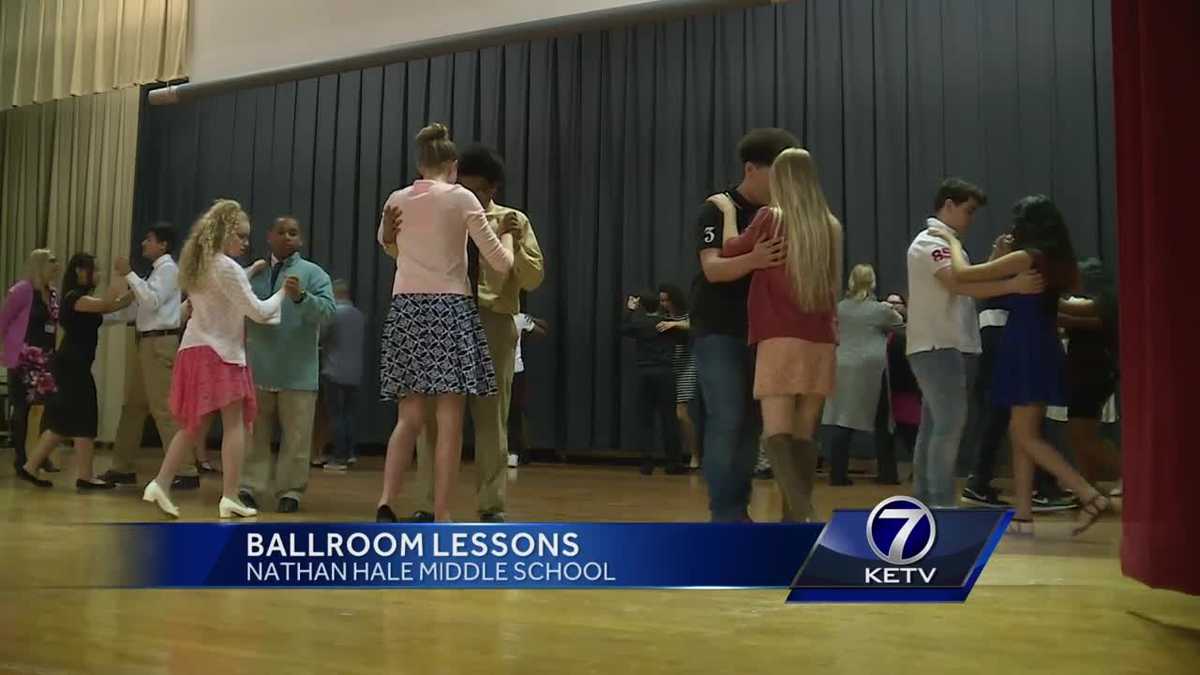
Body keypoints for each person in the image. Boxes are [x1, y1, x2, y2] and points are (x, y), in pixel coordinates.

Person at [928, 195, 1112, 534]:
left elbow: (964, 274)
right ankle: (1023, 516)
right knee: (1021, 432)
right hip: (1041, 342)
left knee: (1026, 435)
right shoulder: (1054, 259)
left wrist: (953, 241)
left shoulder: (1027, 257)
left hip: (1024, 345)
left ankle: (1088, 494)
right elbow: (995, 289)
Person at [374, 123, 514, 523]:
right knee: (449, 418)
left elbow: (387, 241)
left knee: (410, 416)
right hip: (449, 308)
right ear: (452, 166)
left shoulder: (396, 198)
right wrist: (504, 239)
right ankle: (441, 511)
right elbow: (500, 265)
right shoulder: (462, 198)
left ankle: (386, 498)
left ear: (420, 164)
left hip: (405, 308)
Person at [403, 143, 544, 522]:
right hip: (443, 317)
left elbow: (533, 279)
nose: (466, 194)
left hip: (493, 320)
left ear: (492, 188)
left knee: (491, 417)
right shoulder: (441, 214)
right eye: (460, 185)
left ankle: (491, 504)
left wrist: (515, 245)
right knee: (432, 417)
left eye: (475, 189)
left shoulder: (513, 220)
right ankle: (427, 504)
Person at [905, 178, 1043, 508]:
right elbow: (958, 284)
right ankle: (939, 503)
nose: (970, 218)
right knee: (949, 426)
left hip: (942, 344)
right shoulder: (932, 242)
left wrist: (994, 260)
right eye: (967, 210)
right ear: (948, 205)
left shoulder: (946, 243)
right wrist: (1014, 285)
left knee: (934, 425)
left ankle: (925, 498)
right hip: (941, 345)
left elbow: (965, 278)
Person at [719, 147, 841, 522]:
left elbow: (729, 249)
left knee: (776, 436)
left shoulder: (769, 218)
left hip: (779, 336)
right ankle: (794, 523)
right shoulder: (830, 225)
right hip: (821, 339)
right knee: (804, 436)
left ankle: (803, 515)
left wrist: (727, 212)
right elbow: (834, 288)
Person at [141, 199, 284, 518]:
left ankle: (162, 482)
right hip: (220, 353)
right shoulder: (227, 267)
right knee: (236, 423)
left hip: (194, 349)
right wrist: (284, 293)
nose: (246, 243)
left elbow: (225, 290)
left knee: (192, 424)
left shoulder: (201, 263)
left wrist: (251, 271)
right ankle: (230, 495)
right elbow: (259, 312)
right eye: (243, 236)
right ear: (226, 233)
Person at [691, 127, 795, 522]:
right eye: (776, 172)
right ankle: (726, 512)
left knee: (753, 425)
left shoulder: (781, 213)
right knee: (728, 416)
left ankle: (739, 510)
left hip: (765, 333)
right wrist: (755, 259)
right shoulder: (717, 208)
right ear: (752, 169)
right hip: (719, 329)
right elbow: (713, 268)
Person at [238, 216, 335, 514]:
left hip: (299, 371)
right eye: (281, 231)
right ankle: (249, 487)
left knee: (296, 438)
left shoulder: (313, 274)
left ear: (301, 240)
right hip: (258, 367)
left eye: (293, 233)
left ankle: (291, 491)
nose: (287, 237)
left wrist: (301, 298)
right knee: (254, 434)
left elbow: (328, 313)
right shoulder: (253, 272)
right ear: (269, 236)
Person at [99, 224, 200, 489]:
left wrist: (129, 274)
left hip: (158, 344)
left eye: (149, 239)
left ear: (163, 245)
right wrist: (100, 316)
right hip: (147, 344)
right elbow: (141, 310)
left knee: (164, 409)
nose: (144, 243)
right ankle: (122, 467)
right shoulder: (158, 272)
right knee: (133, 407)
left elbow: (152, 301)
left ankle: (186, 470)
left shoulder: (168, 270)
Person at [18, 253, 130, 488]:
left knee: (66, 421)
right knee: (82, 417)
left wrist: (135, 292)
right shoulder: (73, 298)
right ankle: (84, 476)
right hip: (72, 366)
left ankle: (33, 467)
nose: (97, 274)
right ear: (79, 271)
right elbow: (108, 304)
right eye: (94, 269)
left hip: (74, 365)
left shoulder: (81, 298)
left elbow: (115, 306)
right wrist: (120, 276)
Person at [820, 264, 902, 486]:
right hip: (871, 370)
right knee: (882, 421)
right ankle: (888, 474)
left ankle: (837, 475)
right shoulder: (880, 310)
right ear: (873, 283)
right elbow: (901, 325)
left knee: (842, 420)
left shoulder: (839, 308)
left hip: (841, 366)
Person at [0, 249, 61, 472]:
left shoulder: (52, 293)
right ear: (40, 264)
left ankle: (40, 455)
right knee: (22, 407)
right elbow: (3, 320)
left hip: (45, 359)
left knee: (47, 408)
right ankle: (20, 457)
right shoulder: (22, 290)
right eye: (52, 261)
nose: (57, 265)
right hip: (23, 357)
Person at [622, 291, 686, 475]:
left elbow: (622, 328)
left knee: (646, 419)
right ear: (660, 305)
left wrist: (629, 310)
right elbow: (687, 336)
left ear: (642, 306)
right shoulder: (667, 325)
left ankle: (647, 462)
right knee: (669, 418)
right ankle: (673, 462)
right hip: (666, 372)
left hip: (645, 372)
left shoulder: (639, 324)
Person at [320, 279, 367, 472]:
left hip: (334, 371)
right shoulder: (359, 315)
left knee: (335, 415)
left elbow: (322, 336)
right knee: (349, 414)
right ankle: (350, 453)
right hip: (355, 373)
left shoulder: (333, 313)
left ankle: (338, 457)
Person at [657, 284, 700, 469]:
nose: (664, 303)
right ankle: (682, 453)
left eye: (666, 299)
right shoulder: (662, 317)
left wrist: (675, 324)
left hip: (687, 365)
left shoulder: (685, 316)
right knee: (674, 414)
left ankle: (695, 454)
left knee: (682, 412)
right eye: (661, 300)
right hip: (668, 367)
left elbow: (696, 325)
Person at [882, 293, 918, 481]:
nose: (893, 307)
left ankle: (920, 470)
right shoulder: (879, 331)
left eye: (897, 303)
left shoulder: (912, 331)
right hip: (884, 390)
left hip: (906, 390)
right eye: (889, 303)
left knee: (911, 431)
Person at [509, 307, 547, 467]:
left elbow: (542, 328)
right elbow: (542, 331)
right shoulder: (518, 318)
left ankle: (512, 452)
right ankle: (512, 453)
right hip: (512, 372)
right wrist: (529, 320)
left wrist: (530, 319)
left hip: (511, 371)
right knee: (513, 414)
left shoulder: (516, 318)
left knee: (511, 414)